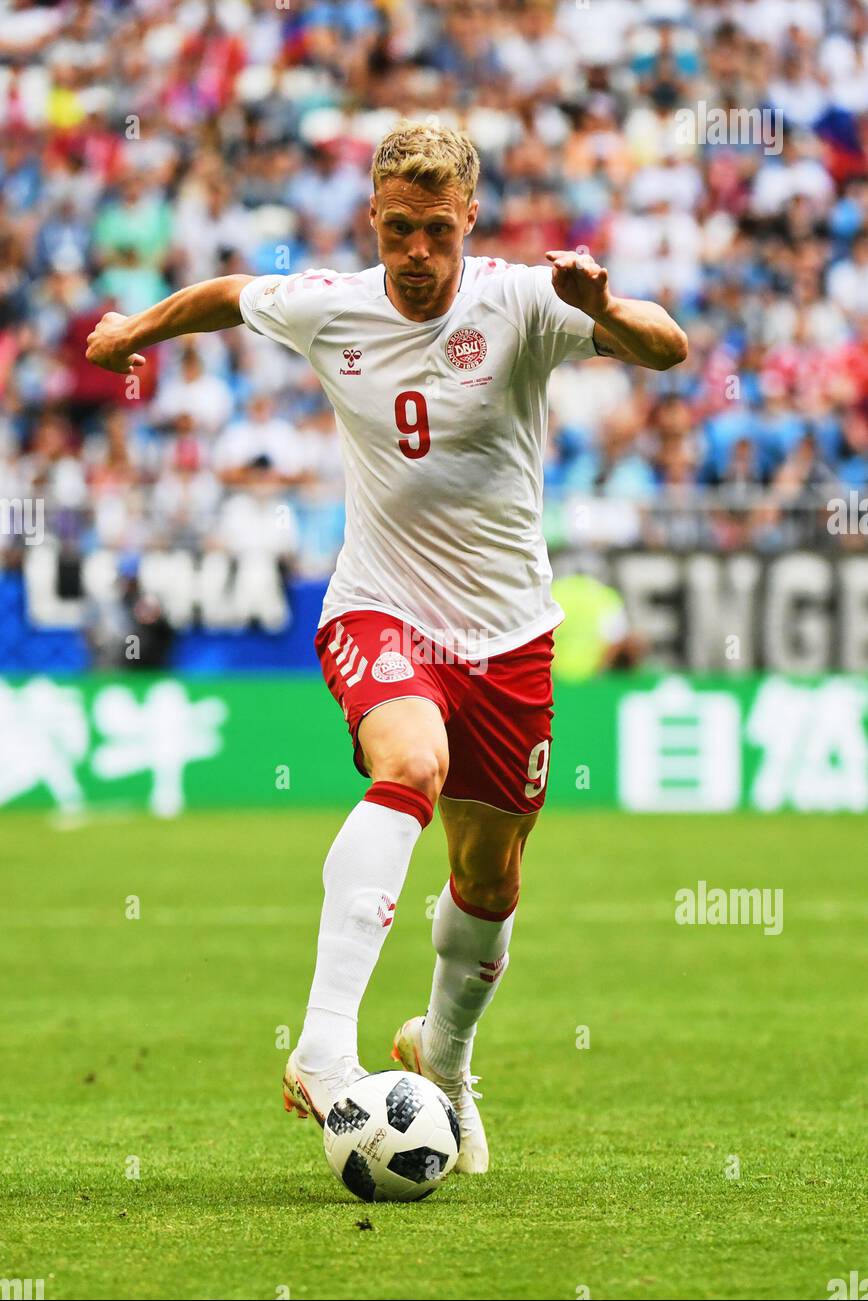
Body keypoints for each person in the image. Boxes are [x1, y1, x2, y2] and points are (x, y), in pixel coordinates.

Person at [85, 122, 687, 1174]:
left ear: (469, 220)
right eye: (398, 230)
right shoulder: (332, 306)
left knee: (489, 882)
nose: (416, 253)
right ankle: (322, 1047)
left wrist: (604, 311)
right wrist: (135, 330)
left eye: (436, 233)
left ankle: (443, 1062)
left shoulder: (519, 302)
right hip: (380, 606)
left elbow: (667, 346)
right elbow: (230, 293)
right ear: (375, 219)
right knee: (410, 762)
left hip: (508, 635)